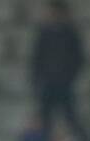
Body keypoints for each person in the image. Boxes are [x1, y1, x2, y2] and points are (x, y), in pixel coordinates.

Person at [30, 1, 83, 134]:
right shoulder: (44, 35)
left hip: (64, 84)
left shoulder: (71, 35)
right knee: (45, 119)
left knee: (70, 119)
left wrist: (69, 77)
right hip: (47, 84)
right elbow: (37, 59)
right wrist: (38, 79)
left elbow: (78, 59)